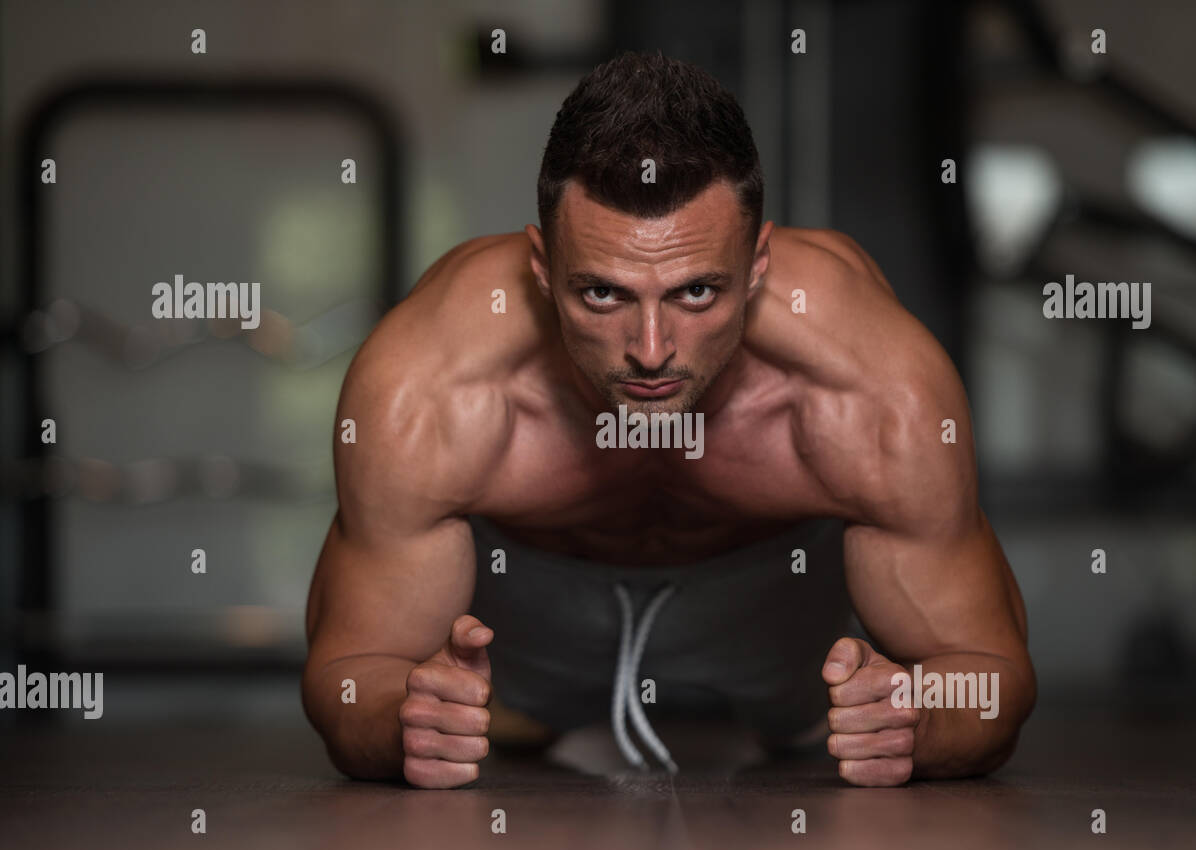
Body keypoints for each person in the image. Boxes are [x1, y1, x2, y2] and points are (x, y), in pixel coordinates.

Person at [302, 50, 1034, 789]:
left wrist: (917, 718)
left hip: (778, 631)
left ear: (757, 264)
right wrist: (404, 718)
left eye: (696, 292)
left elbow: (991, 673)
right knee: (497, 724)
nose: (651, 350)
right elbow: (352, 671)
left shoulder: (875, 389)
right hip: (527, 641)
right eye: (602, 294)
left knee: (823, 724)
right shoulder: (426, 383)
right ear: (541, 268)